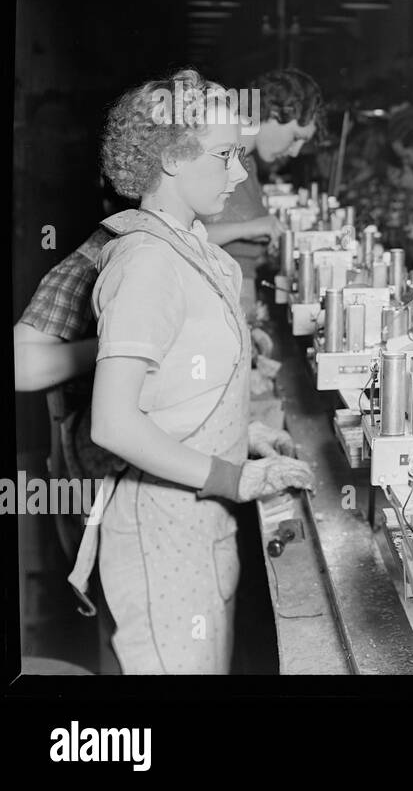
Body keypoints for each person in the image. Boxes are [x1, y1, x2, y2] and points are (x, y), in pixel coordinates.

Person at [75, 69, 314, 674]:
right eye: (226, 155)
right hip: (161, 525)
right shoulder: (147, 261)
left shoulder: (195, 249)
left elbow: (185, 385)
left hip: (200, 513)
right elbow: (113, 424)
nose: (240, 173)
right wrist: (235, 478)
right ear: (173, 159)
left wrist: (246, 437)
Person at [201, 67, 322, 314]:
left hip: (235, 299)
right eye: (296, 137)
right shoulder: (218, 157)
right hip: (213, 302)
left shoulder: (247, 163)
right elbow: (178, 235)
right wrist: (252, 228)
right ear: (274, 113)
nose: (295, 152)